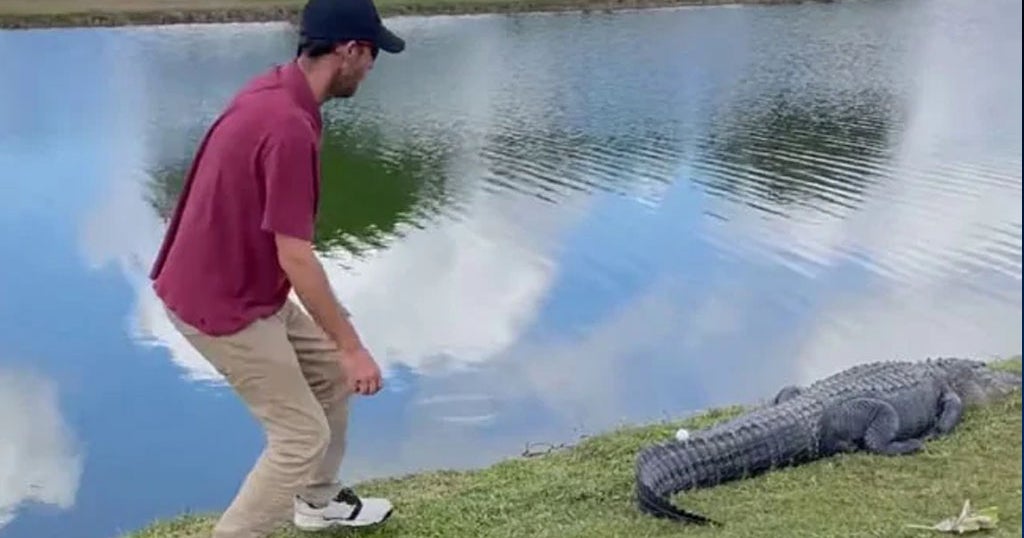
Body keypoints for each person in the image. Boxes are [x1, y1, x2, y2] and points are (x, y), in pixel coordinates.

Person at [147, 0, 405, 535]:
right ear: (349, 51)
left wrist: (339, 344)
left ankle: (318, 501)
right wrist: (353, 345)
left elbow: (280, 248)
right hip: (221, 305)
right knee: (299, 436)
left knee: (330, 376)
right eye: (373, 53)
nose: (373, 67)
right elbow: (296, 255)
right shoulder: (288, 127)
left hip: (243, 286)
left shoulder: (279, 89)